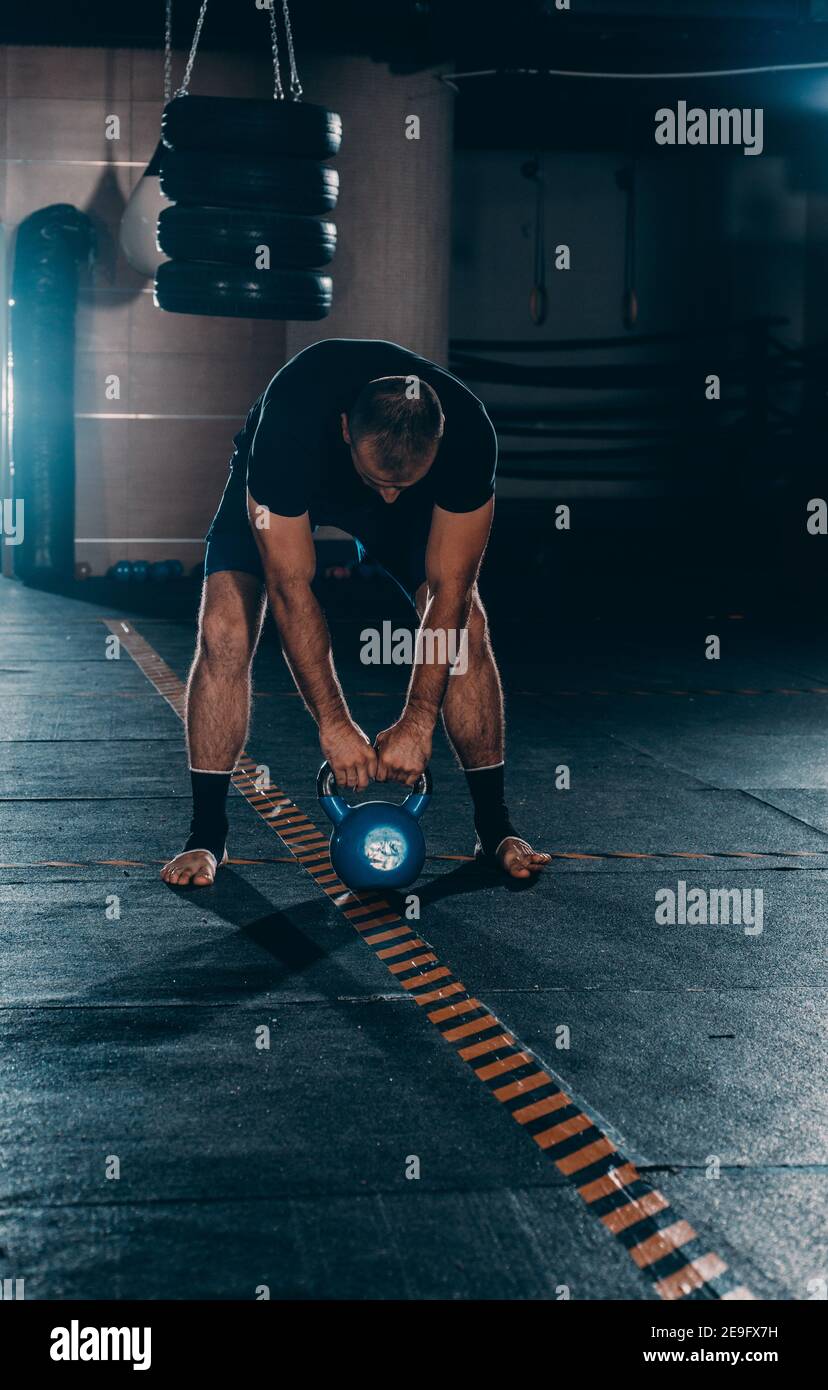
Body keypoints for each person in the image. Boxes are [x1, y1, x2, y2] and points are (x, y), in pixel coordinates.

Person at [161, 338, 551, 887]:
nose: (388, 498)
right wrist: (335, 725)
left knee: (471, 628)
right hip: (296, 482)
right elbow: (291, 588)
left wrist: (418, 721)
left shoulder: (468, 434)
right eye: (379, 483)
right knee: (223, 627)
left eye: (402, 485)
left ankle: (494, 828)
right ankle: (206, 834)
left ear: (437, 446)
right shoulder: (289, 431)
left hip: (406, 491)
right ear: (345, 429)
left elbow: (450, 593)